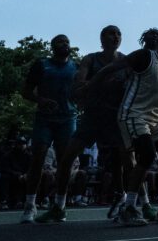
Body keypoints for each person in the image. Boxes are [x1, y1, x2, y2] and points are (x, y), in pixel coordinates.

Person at [34, 25, 131, 224]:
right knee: (67, 157)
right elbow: (78, 88)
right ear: (101, 39)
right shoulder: (90, 59)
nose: (115, 36)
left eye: (118, 33)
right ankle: (59, 206)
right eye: (110, 33)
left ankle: (139, 203)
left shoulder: (127, 61)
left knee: (129, 161)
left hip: (116, 118)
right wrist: (102, 79)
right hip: (93, 117)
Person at [91, 31, 158, 225]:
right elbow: (112, 68)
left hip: (156, 119)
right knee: (147, 156)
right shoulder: (144, 56)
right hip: (134, 113)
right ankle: (128, 209)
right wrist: (89, 86)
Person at [19, 34, 78, 224]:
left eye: (67, 42)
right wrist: (40, 100)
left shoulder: (75, 66)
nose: (64, 44)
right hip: (44, 118)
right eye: (60, 42)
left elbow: (83, 90)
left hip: (68, 118)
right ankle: (30, 204)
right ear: (52, 47)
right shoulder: (42, 64)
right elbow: (26, 91)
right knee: (38, 158)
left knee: (65, 162)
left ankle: (59, 205)